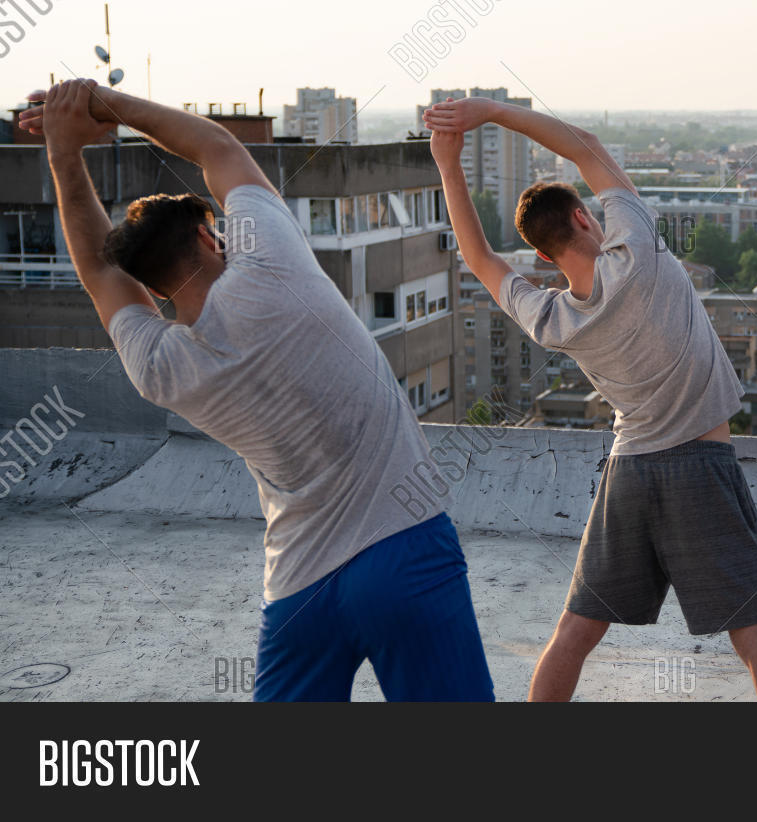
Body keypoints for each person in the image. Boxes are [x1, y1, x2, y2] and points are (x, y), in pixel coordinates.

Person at [20, 80, 493, 701]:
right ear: (207, 238)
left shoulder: (161, 367)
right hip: (404, 549)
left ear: (154, 287)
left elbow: (98, 271)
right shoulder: (272, 266)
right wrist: (107, 103)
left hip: (299, 587)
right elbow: (216, 148)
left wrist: (63, 151)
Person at [422, 96, 757, 701]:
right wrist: (490, 110)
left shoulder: (553, 319)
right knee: (755, 634)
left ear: (542, 254)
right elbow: (587, 147)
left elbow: (479, 257)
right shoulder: (639, 253)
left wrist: (448, 163)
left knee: (575, 631)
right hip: (699, 467)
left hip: (628, 473)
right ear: (584, 217)